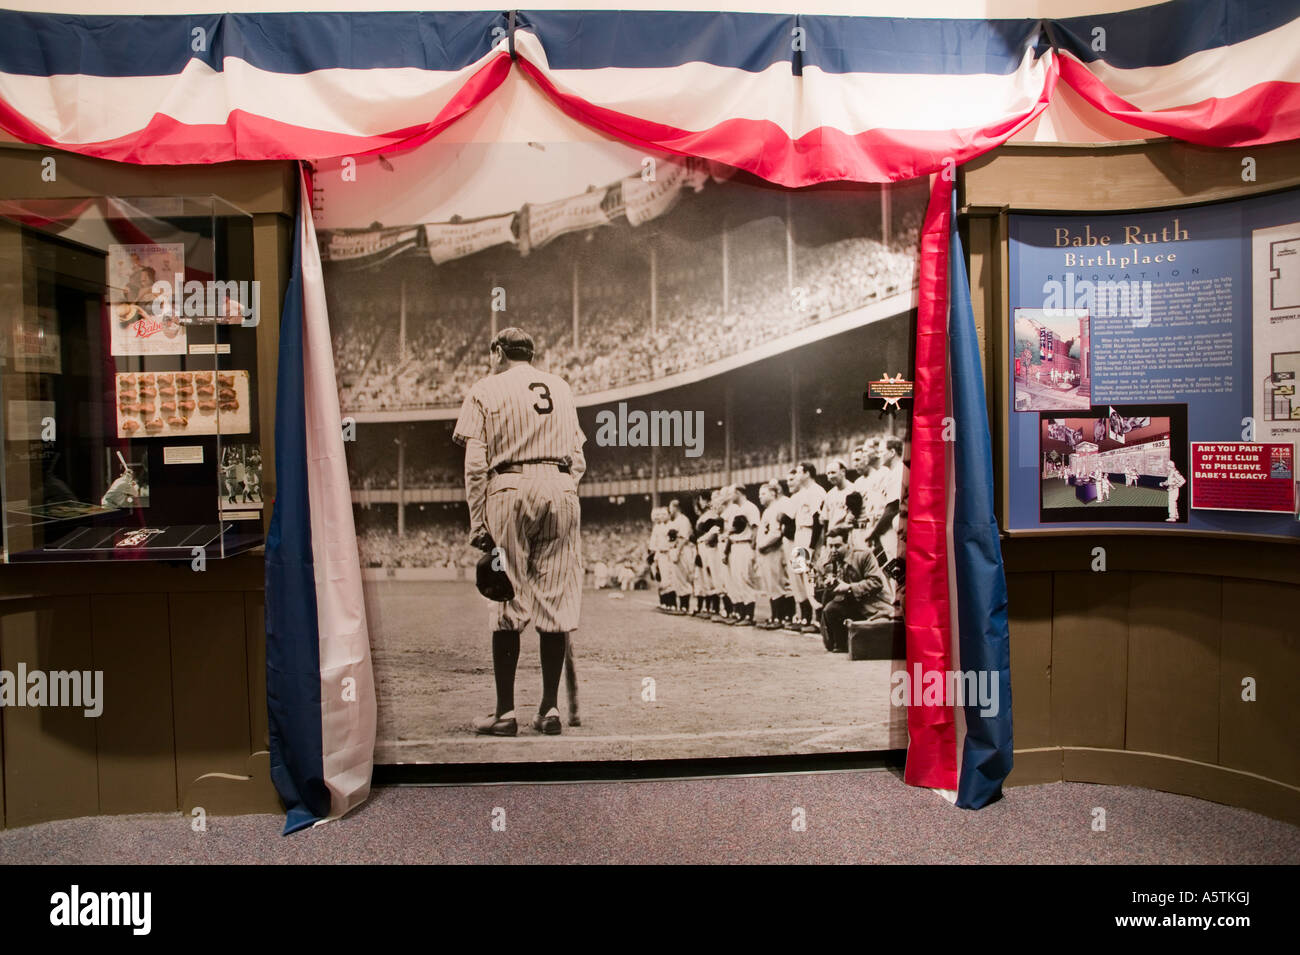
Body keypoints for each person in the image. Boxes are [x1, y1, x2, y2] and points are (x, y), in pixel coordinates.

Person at [452, 327, 586, 737]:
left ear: (497, 351)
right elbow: (578, 458)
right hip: (561, 487)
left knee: (508, 603)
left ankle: (505, 714)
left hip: (508, 486)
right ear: (531, 353)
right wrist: (560, 489)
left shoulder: (484, 389)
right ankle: (549, 711)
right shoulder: (561, 387)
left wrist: (479, 523)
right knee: (556, 603)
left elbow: (476, 464)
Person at [813, 525, 892, 653]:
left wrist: (849, 587)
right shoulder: (826, 562)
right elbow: (820, 592)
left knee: (882, 630)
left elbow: (876, 582)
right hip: (848, 605)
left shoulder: (863, 555)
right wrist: (824, 585)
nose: (833, 550)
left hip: (871, 606)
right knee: (830, 620)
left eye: (837, 546)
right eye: (830, 546)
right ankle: (843, 644)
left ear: (847, 544)